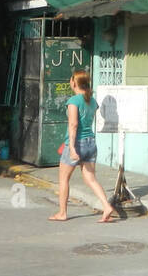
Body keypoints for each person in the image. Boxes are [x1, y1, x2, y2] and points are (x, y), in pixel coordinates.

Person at [48, 70, 117, 223]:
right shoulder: (92, 101)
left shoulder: (74, 101)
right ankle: (106, 206)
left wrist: (71, 147)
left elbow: (73, 124)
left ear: (74, 82)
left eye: (71, 80)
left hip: (77, 143)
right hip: (90, 142)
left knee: (64, 179)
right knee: (91, 178)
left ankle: (62, 213)